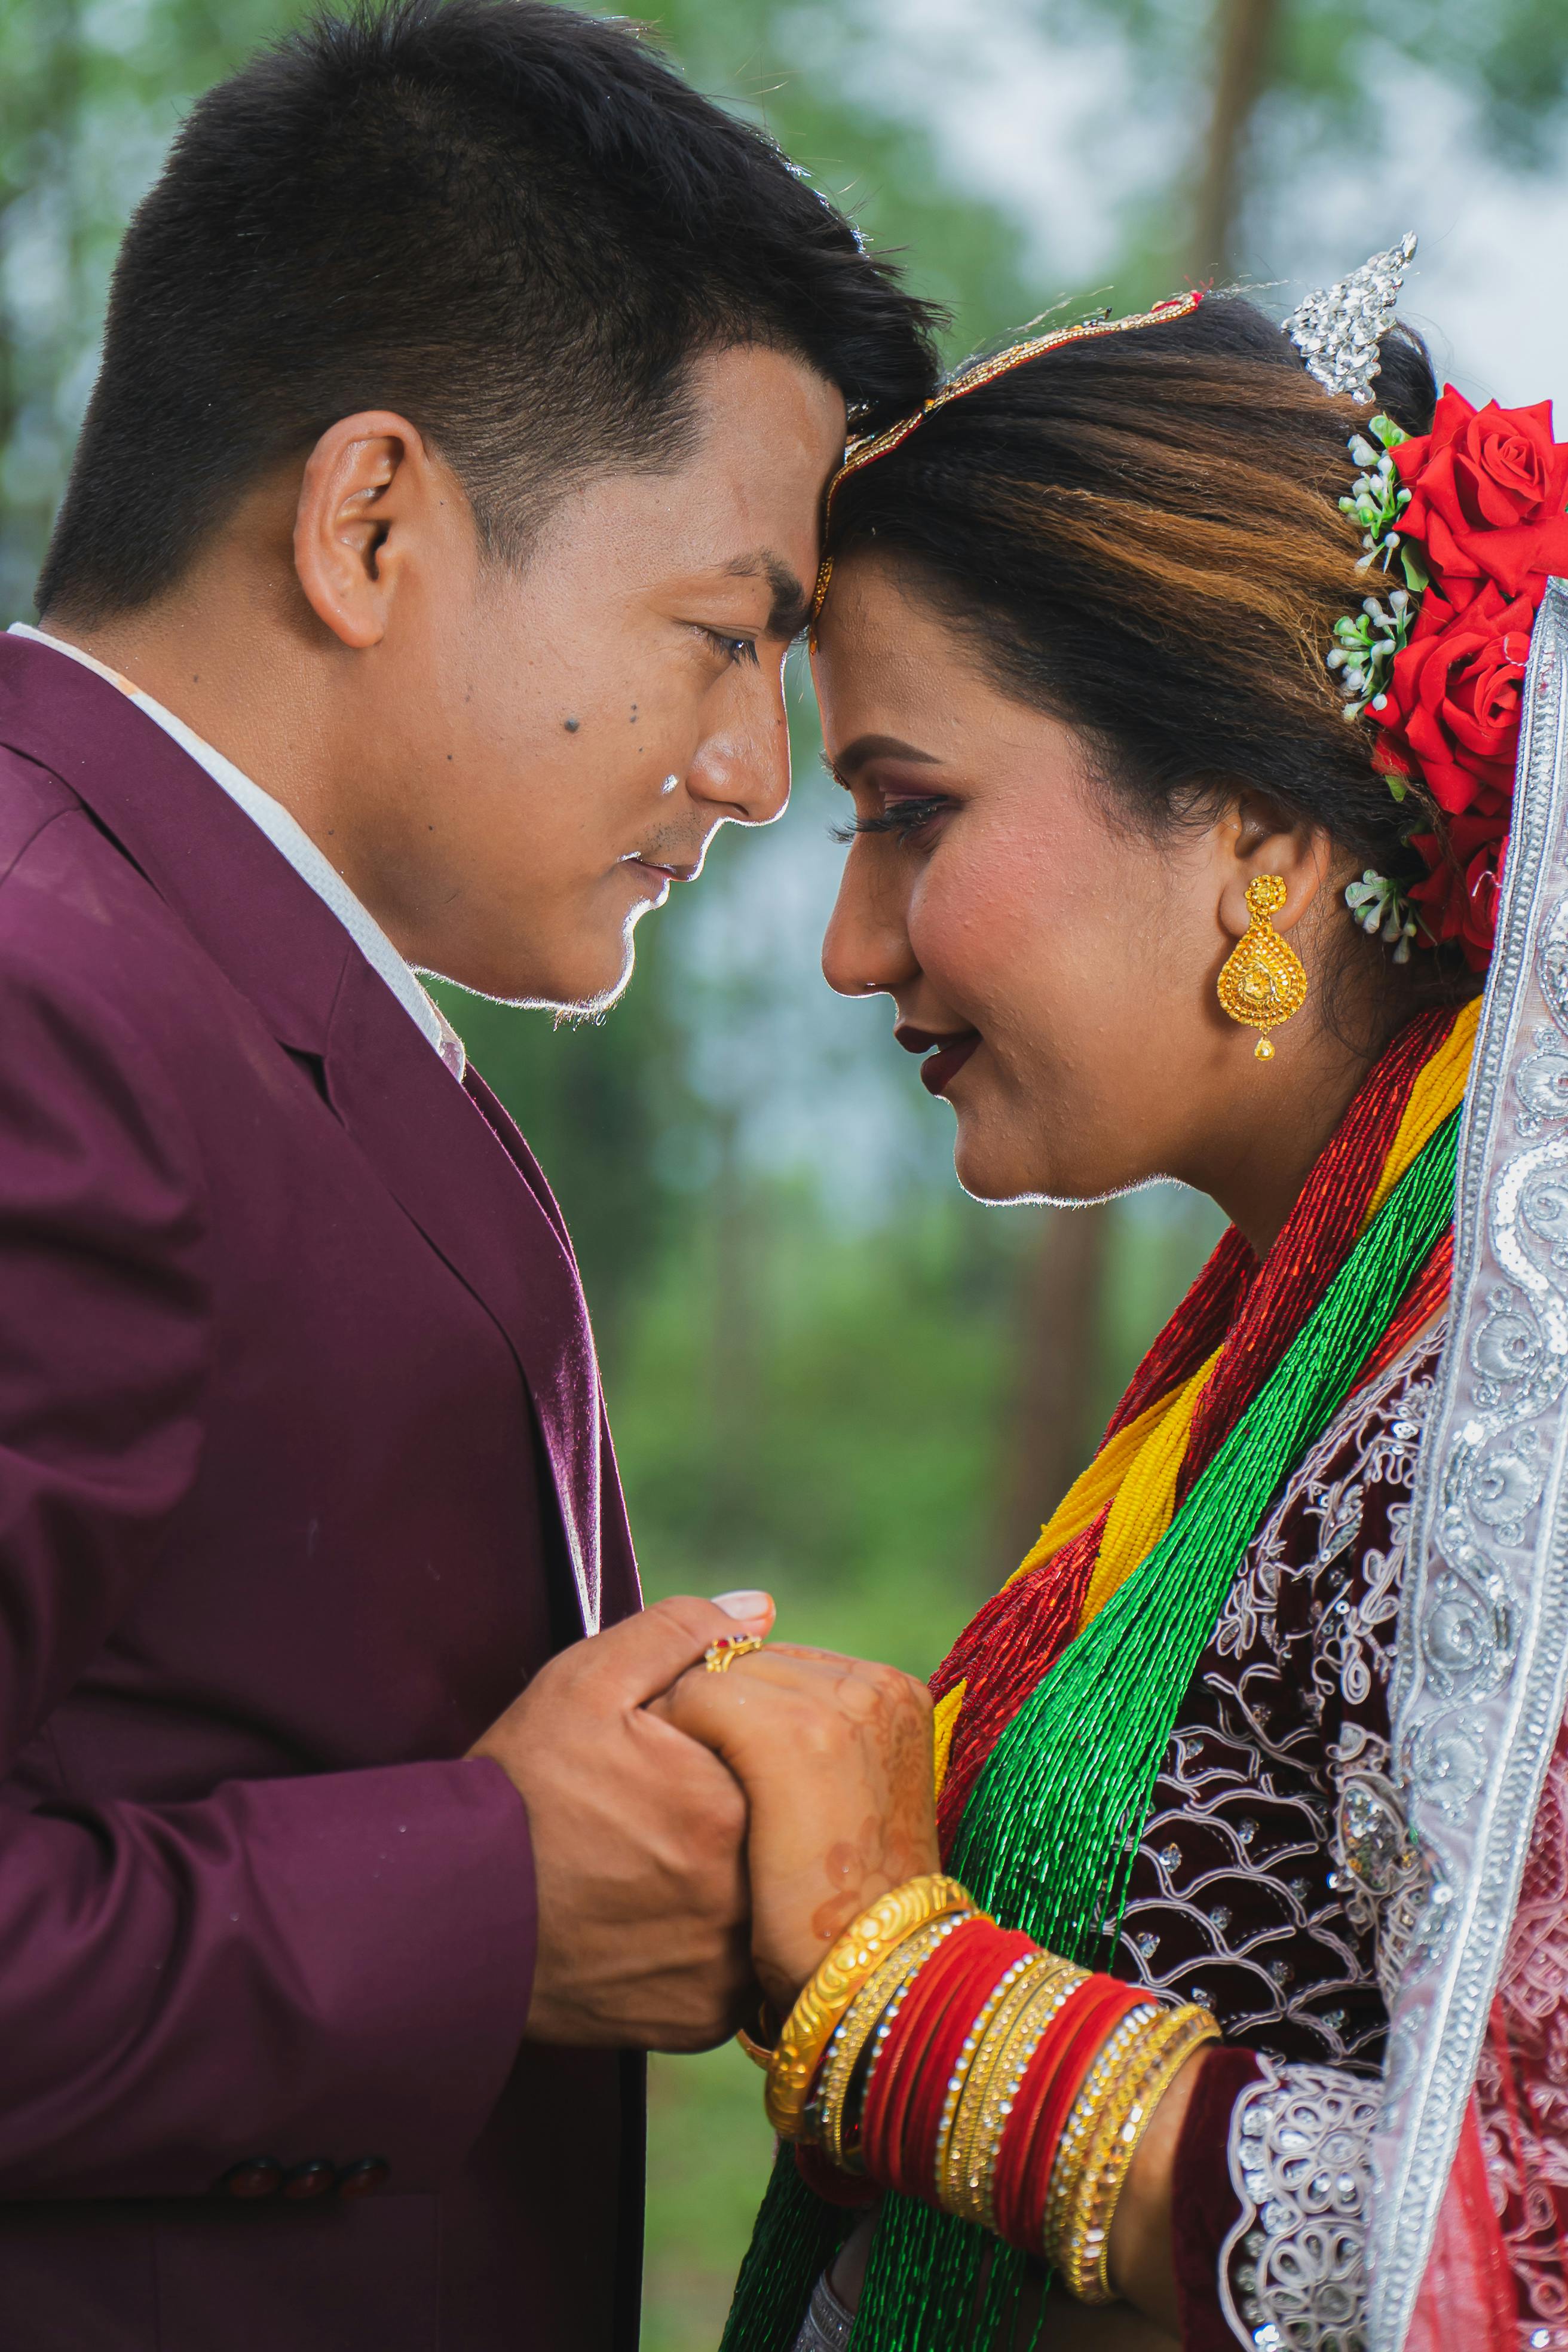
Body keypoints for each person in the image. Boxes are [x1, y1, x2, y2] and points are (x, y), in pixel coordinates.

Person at [0, 4, 946, 2347]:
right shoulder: (42, 985)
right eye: (727, 634)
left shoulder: (198, 954)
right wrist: (490, 1898)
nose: (750, 771)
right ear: (373, 520)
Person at [651, 244, 1568, 2350]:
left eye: (911, 814)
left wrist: (893, 1985)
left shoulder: (1503, 1385)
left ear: (1253, 822)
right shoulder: (1314, 1309)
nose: (851, 948)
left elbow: (1508, 2242)